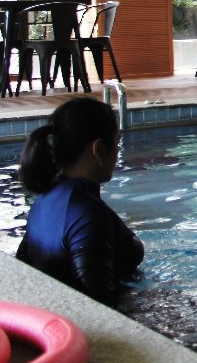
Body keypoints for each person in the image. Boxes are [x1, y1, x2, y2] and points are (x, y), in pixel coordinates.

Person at [16, 97, 144, 304]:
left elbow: (24, 266)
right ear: (98, 149)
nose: (118, 151)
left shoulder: (44, 199)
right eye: (117, 143)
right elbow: (97, 301)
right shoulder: (87, 212)